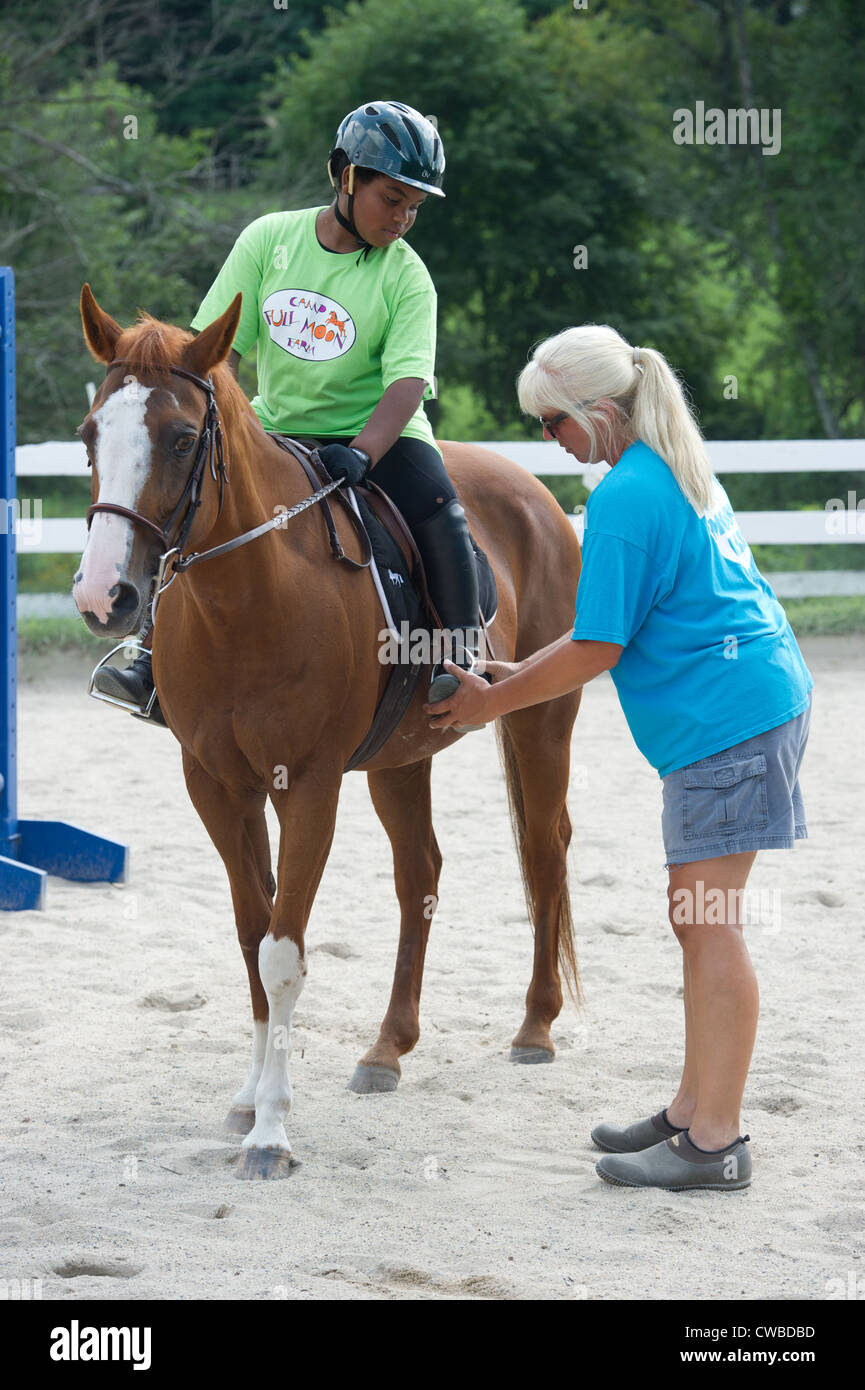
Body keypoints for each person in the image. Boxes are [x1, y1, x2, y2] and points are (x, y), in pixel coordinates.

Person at [424, 324, 813, 1193]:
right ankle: (691, 1111)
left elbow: (598, 646)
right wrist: (519, 671)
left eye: (552, 422)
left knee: (709, 924)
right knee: (697, 918)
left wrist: (490, 701)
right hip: (748, 704)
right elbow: (604, 623)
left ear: (599, 412)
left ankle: (714, 1142)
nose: (547, 440)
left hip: (727, 724)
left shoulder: (627, 495)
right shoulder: (668, 466)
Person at [94, 100, 486, 721]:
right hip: (275, 429)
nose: (404, 218)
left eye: (415, 206)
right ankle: (149, 657)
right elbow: (214, 354)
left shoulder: (408, 277)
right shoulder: (268, 239)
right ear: (346, 176)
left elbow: (408, 383)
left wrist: (362, 453)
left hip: (377, 437)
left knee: (440, 510)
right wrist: (222, 425)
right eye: (392, 199)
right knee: (190, 506)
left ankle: (460, 660)